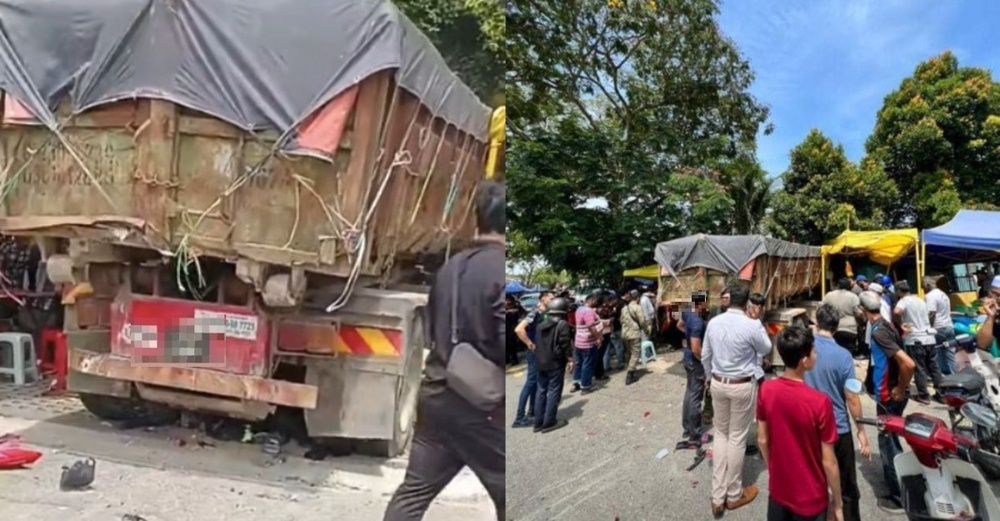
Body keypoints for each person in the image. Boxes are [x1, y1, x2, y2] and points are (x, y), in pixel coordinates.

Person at [383, 181, 504, 521]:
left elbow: (435, 327)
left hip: (437, 394)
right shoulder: (499, 270)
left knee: (412, 494)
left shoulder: (450, 267)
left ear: (477, 218)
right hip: (482, 408)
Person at [701, 282, 773, 517]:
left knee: (721, 434)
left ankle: (717, 495)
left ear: (729, 299)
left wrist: (709, 378)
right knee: (736, 438)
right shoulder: (751, 325)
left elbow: (705, 355)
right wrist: (756, 323)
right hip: (741, 385)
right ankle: (733, 494)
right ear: (746, 303)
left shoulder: (713, 322)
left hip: (719, 383)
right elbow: (766, 347)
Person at [758, 326, 843, 521]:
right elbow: (829, 461)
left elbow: (762, 440)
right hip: (810, 496)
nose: (816, 354)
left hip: (779, 490)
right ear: (804, 361)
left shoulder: (766, 390)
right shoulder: (820, 402)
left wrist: (775, 470)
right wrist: (838, 503)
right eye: (813, 351)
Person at [804, 305, 872, 521]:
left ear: (817, 322)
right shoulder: (843, 356)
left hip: (808, 427)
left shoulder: (804, 350)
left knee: (813, 482)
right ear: (837, 326)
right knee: (846, 486)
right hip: (837, 428)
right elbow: (851, 396)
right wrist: (860, 429)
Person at [859, 290, 915, 513]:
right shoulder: (885, 324)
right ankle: (903, 481)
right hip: (887, 392)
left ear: (863, 310)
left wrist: (900, 388)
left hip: (888, 397)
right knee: (892, 440)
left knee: (887, 444)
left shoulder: (879, 332)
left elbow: (908, 364)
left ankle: (899, 497)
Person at [894, 280, 943, 404]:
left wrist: (900, 325)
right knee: (933, 366)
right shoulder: (920, 300)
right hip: (929, 336)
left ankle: (924, 395)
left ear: (899, 291)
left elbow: (896, 312)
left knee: (919, 368)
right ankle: (942, 393)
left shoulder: (903, 301)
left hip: (916, 338)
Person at [511, 291, 555, 428]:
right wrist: (530, 344)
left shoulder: (546, 313)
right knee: (530, 383)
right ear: (543, 299)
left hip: (542, 353)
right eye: (551, 298)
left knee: (537, 382)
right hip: (535, 353)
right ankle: (519, 417)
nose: (554, 300)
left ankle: (533, 411)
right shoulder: (535, 313)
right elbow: (519, 329)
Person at [533, 297, 573, 433]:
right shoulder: (562, 324)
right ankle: (549, 422)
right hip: (555, 363)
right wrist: (570, 359)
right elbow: (565, 344)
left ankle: (538, 422)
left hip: (540, 362)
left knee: (541, 391)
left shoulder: (540, 325)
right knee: (554, 391)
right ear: (563, 312)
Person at [677, 293, 710, 449]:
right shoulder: (697, 320)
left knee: (689, 393)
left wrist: (688, 335)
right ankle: (694, 435)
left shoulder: (688, 312)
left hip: (687, 357)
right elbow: (697, 348)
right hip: (695, 360)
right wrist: (706, 361)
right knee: (696, 397)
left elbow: (680, 325)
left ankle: (687, 428)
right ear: (701, 304)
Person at [571, 292, 603, 393]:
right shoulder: (588, 311)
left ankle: (576, 383)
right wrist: (598, 338)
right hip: (588, 343)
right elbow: (591, 327)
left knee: (579, 363)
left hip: (578, 341)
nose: (597, 304)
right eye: (597, 301)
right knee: (587, 364)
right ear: (592, 300)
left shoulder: (579, 309)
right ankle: (585, 386)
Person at [924, 276, 957, 374]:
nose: (923, 290)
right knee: (950, 353)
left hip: (938, 328)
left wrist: (929, 328)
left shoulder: (930, 296)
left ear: (928, 285)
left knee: (936, 354)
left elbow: (932, 313)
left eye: (923, 287)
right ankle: (954, 375)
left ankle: (940, 376)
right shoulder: (943, 294)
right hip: (949, 326)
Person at [824, 278, 862, 356]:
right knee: (848, 353)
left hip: (834, 328)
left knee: (835, 352)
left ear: (838, 285)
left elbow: (821, 308)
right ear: (849, 286)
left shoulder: (829, 295)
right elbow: (858, 313)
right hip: (850, 329)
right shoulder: (853, 297)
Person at [620, 289, 650, 386]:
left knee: (629, 352)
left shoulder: (624, 308)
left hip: (625, 334)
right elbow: (642, 321)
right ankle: (630, 374)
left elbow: (621, 321)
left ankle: (630, 367)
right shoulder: (637, 307)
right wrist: (646, 330)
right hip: (634, 334)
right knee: (636, 353)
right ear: (637, 298)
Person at [976, 276, 1000, 352]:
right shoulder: (995, 314)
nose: (997, 298)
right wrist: (990, 316)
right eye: (994, 294)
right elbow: (982, 345)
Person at [505, 296, 524, 366]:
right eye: (506, 300)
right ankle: (507, 359)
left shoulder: (516, 307)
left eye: (508, 300)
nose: (507, 302)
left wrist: (511, 311)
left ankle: (514, 359)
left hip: (513, 328)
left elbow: (521, 313)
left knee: (512, 344)